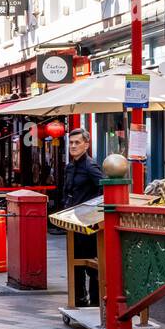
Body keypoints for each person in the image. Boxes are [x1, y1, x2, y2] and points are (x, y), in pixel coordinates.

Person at [60, 128, 104, 307]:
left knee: (92, 264)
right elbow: (68, 191)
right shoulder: (70, 167)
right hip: (72, 222)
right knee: (75, 262)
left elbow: (103, 189)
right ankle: (79, 298)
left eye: (77, 143)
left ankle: (95, 301)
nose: (73, 146)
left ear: (86, 145)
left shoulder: (91, 166)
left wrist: (92, 211)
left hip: (88, 223)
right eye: (71, 143)